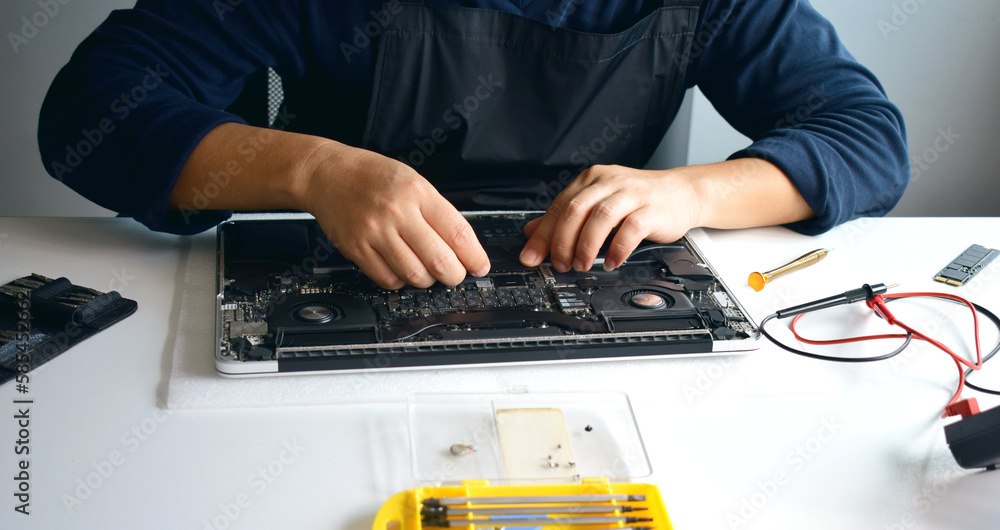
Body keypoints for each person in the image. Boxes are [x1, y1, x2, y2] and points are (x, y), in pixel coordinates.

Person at [38, 0, 908, 289]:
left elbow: (866, 137)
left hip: (592, 298)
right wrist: (312, 169)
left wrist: (689, 194)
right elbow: (89, 113)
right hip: (339, 289)